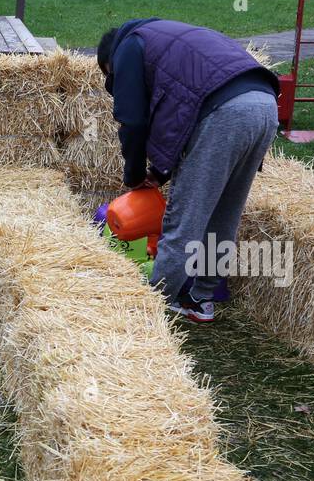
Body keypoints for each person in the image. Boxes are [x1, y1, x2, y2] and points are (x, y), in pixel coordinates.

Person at [97, 18, 280, 323]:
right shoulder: (165, 38)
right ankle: (201, 299)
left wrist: (133, 177)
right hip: (265, 106)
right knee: (225, 211)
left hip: (226, 114)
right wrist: (159, 172)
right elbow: (184, 110)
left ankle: (153, 302)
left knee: (185, 218)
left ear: (109, 62)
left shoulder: (128, 49)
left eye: (110, 79)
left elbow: (133, 121)